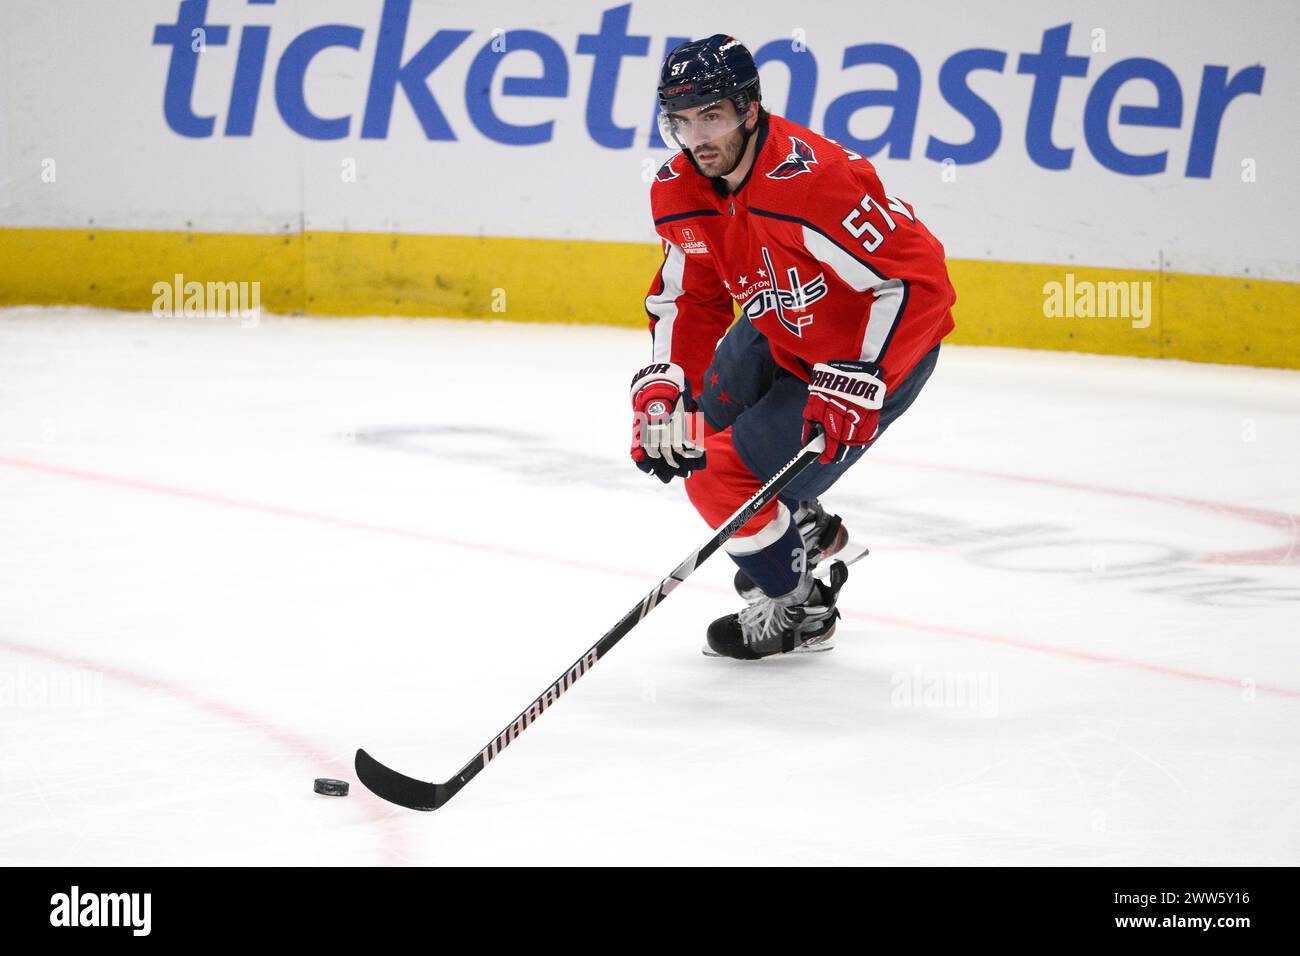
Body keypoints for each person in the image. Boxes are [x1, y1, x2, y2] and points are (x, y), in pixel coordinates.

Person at [630, 34, 956, 660]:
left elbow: (920, 285)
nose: (698, 138)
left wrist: (865, 374)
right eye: (683, 120)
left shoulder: (815, 184)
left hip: (869, 355)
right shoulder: (679, 190)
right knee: (687, 429)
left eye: (713, 116)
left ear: (749, 109)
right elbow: (690, 299)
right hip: (779, 327)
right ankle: (797, 521)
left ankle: (801, 604)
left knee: (719, 480)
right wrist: (666, 383)